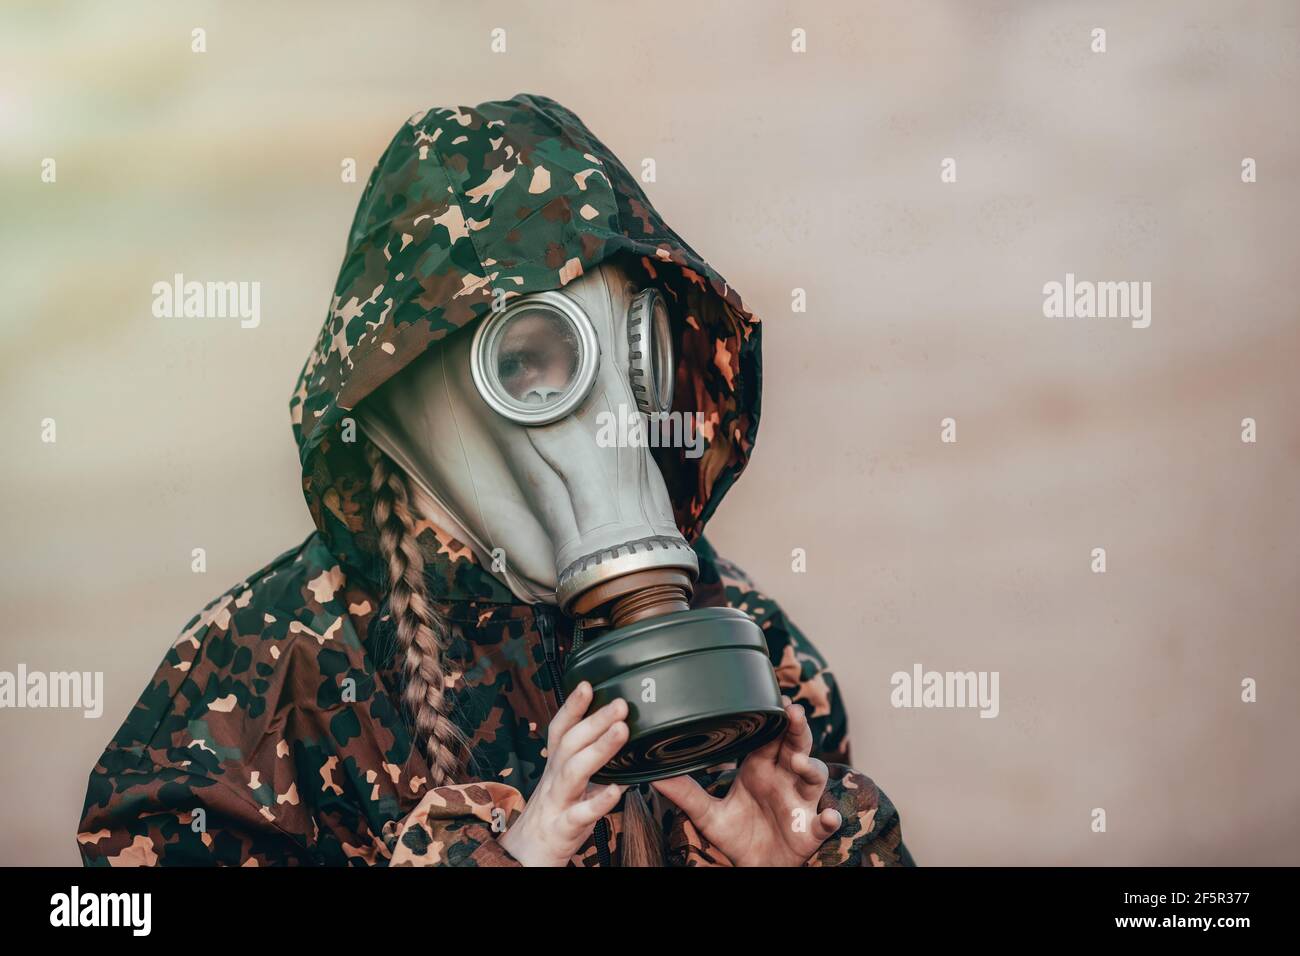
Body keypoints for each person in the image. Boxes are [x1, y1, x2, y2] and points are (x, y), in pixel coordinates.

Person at [77, 94, 913, 867]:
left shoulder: (744, 637)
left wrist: (800, 859)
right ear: (405, 389)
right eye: (524, 363)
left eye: (634, 359)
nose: (608, 421)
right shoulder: (264, 680)